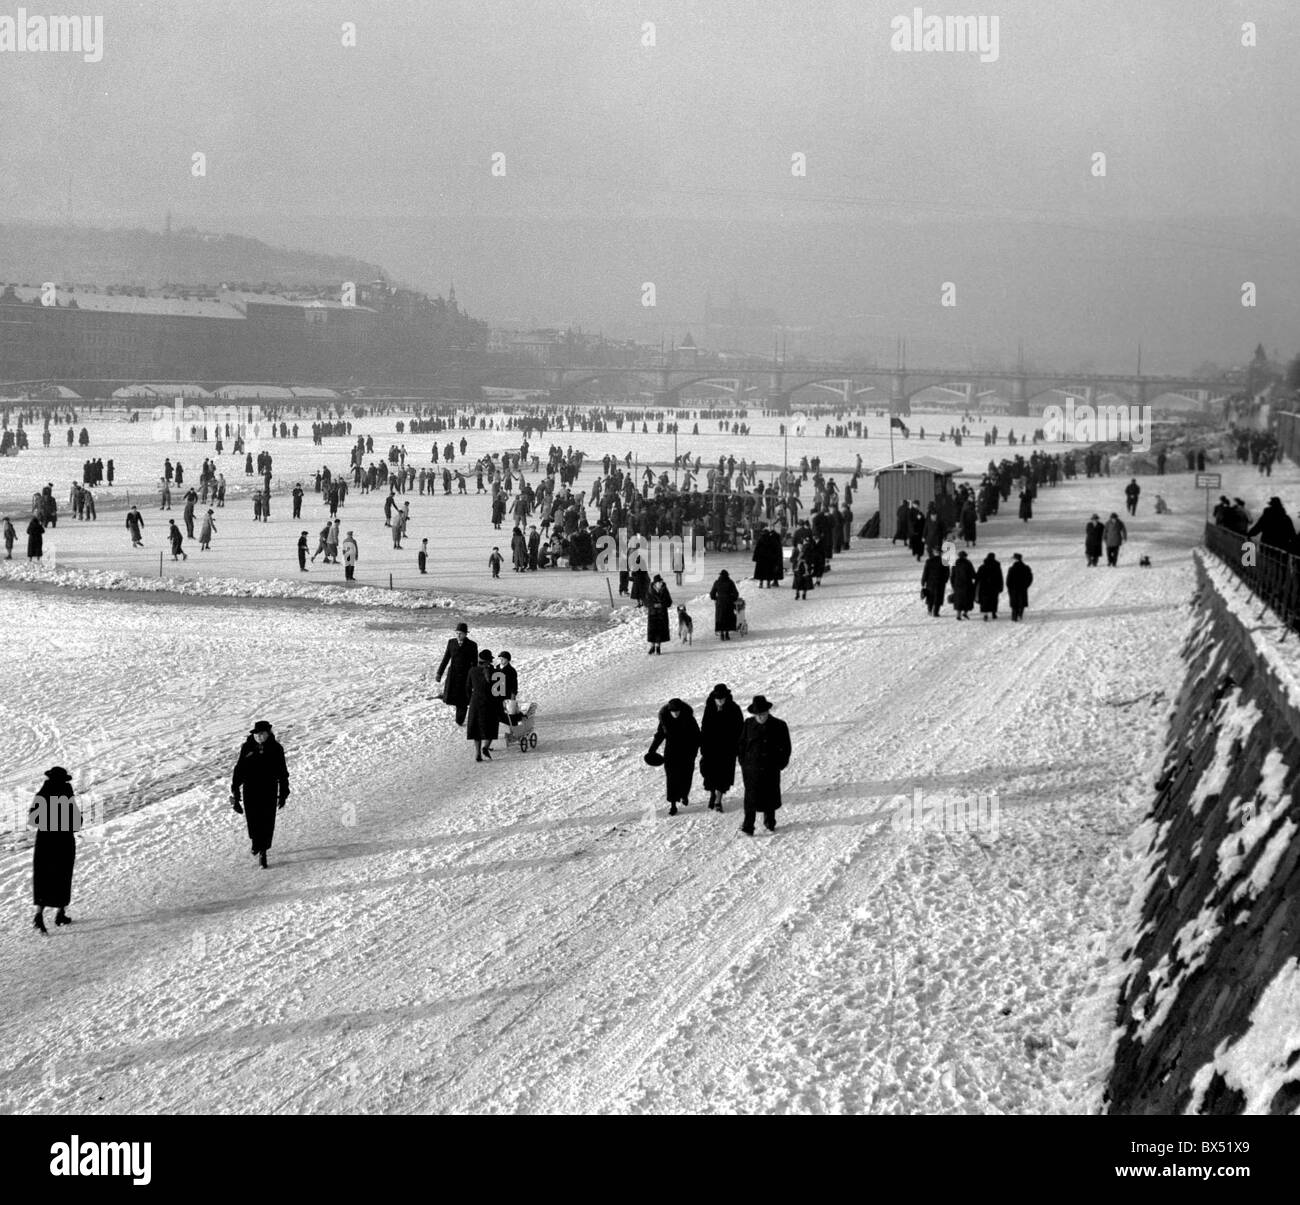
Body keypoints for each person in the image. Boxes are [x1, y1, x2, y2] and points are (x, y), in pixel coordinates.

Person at [230, 720, 290, 869]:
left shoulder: (276, 749)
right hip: (250, 789)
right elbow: (239, 769)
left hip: (269, 789)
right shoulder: (247, 747)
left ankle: (263, 850)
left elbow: (282, 772)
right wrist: (235, 789)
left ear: (268, 733)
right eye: (256, 734)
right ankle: (256, 843)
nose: (259, 736)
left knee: (267, 821)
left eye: (262, 733)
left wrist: (283, 792)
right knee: (253, 819)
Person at [29, 766, 80, 933]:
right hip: (63, 841)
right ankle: (60, 914)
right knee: (63, 876)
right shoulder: (66, 794)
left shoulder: (42, 793)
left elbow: (33, 818)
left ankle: (39, 915)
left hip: (45, 841)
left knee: (44, 877)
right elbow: (76, 821)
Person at [737, 696, 791, 835]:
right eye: (758, 715)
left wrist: (780, 763)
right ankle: (748, 825)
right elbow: (741, 744)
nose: (761, 717)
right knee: (750, 797)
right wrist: (743, 762)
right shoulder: (748, 724)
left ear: (768, 712)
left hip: (770, 767)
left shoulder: (779, 725)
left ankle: (770, 822)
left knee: (769, 794)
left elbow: (786, 747)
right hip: (751, 768)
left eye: (763, 714)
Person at [646, 697, 701, 816]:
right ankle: (673, 804)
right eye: (673, 711)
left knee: (686, 776)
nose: (675, 713)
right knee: (672, 779)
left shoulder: (689, 719)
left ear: (681, 710)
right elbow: (659, 735)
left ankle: (684, 794)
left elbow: (697, 736)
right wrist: (652, 750)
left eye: (677, 711)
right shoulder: (665, 720)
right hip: (671, 753)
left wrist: (697, 750)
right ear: (669, 711)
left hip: (687, 753)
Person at [699, 683, 743, 812]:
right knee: (708, 772)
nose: (720, 701)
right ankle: (712, 792)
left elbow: (739, 729)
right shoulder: (709, 708)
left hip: (727, 748)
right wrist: (703, 744)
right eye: (717, 699)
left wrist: (736, 747)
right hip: (711, 748)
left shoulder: (734, 709)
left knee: (723, 776)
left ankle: (718, 800)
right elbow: (704, 726)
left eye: (722, 699)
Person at [436, 622, 478, 726]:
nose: (458, 635)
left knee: (463, 699)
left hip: (465, 676)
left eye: (461, 633)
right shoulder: (451, 642)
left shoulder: (472, 645)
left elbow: (474, 663)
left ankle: (460, 718)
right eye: (457, 633)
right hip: (453, 675)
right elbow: (446, 659)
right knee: (453, 697)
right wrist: (439, 673)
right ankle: (459, 713)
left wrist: (474, 679)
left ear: (465, 634)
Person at [465, 649, 501, 761]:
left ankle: (477, 754)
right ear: (490, 661)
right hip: (490, 703)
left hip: (476, 702)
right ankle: (486, 747)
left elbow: (467, 688)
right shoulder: (497, 673)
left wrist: (470, 700)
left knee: (476, 729)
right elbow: (500, 692)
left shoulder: (472, 671)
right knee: (491, 727)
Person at [645, 574, 673, 655]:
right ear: (655, 583)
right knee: (652, 631)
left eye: (661, 582)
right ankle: (652, 646)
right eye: (659, 582)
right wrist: (653, 605)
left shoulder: (664, 590)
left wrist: (662, 604)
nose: (661, 583)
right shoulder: (650, 590)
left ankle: (658, 647)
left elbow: (669, 602)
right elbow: (646, 602)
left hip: (662, 614)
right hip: (653, 614)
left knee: (660, 631)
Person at [709, 568, 739, 640]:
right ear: (727, 575)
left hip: (720, 603)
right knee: (728, 617)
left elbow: (712, 594)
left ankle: (722, 634)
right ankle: (727, 634)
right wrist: (732, 599)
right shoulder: (730, 582)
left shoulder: (717, 582)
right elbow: (736, 593)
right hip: (728, 602)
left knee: (720, 618)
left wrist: (716, 598)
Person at [921, 549, 949, 618]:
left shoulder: (929, 561)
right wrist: (945, 580)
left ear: (934, 553)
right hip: (940, 582)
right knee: (938, 597)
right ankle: (936, 612)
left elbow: (925, 572)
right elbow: (947, 573)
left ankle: (929, 610)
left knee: (930, 596)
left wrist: (923, 581)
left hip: (930, 582)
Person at [976, 552, 1003, 620]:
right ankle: (993, 613)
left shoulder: (982, 567)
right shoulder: (997, 567)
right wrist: (1001, 587)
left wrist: (976, 586)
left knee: (984, 601)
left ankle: (985, 615)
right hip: (994, 587)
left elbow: (978, 578)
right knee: (994, 600)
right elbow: (1000, 577)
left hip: (984, 587)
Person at [1006, 553, 1033, 622]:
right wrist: (1026, 585)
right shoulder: (1026, 568)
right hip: (1022, 588)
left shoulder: (1012, 569)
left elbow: (1008, 580)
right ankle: (1020, 614)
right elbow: (1030, 578)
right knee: (1022, 602)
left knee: (1014, 603)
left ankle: (1014, 616)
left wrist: (1009, 588)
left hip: (1013, 589)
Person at [950, 548, 975, 620]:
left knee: (959, 600)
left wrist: (953, 585)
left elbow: (952, 576)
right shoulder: (968, 563)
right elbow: (973, 574)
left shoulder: (955, 563)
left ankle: (958, 615)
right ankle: (965, 613)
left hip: (957, 585)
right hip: (967, 585)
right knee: (968, 599)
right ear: (965, 556)